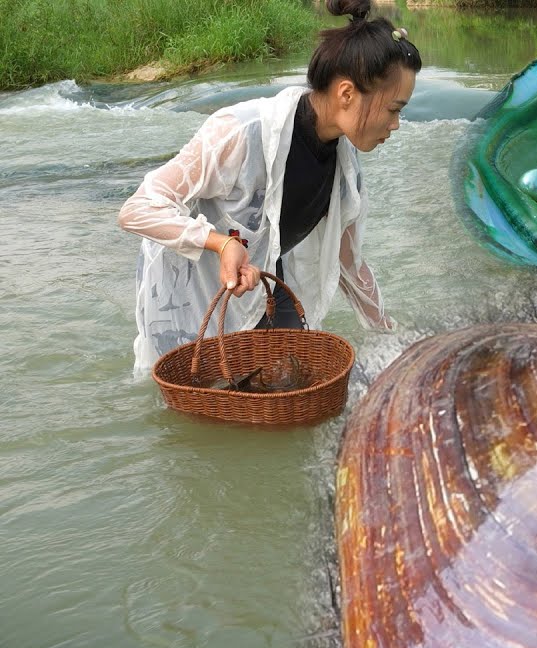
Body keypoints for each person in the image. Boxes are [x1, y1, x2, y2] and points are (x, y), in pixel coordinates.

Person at [118, 0, 421, 372]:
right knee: (201, 398)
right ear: (346, 93)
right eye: (394, 109)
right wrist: (221, 243)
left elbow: (348, 265)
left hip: (263, 283)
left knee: (296, 381)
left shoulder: (345, 166)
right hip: (191, 295)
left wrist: (390, 334)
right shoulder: (242, 132)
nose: (396, 124)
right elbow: (138, 208)